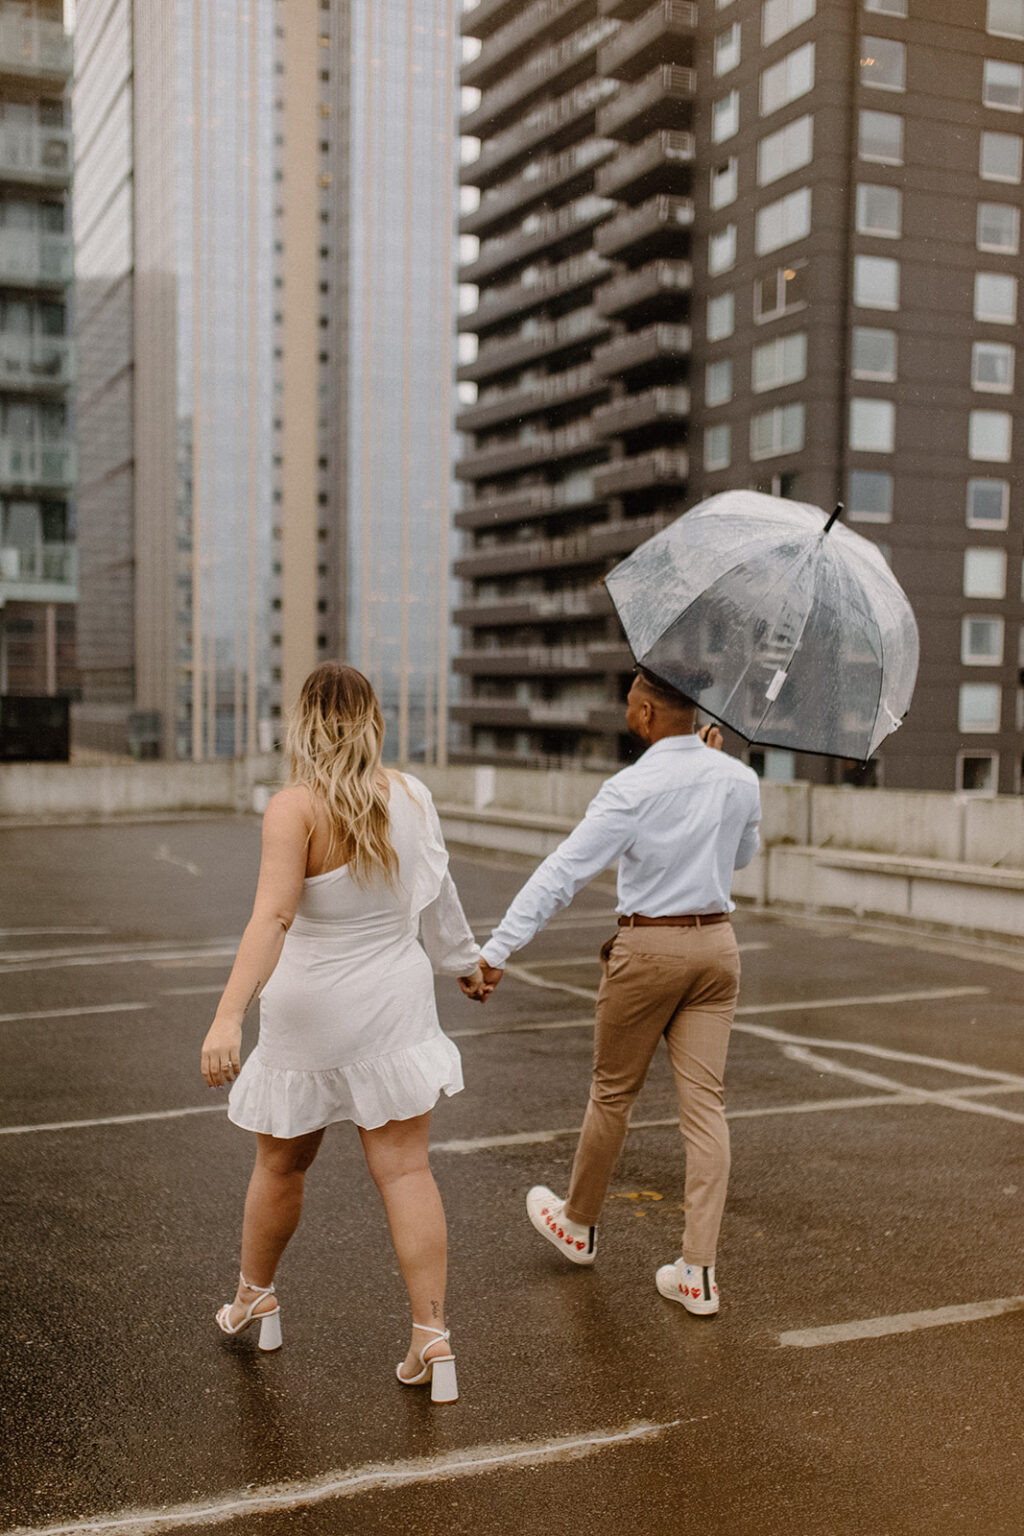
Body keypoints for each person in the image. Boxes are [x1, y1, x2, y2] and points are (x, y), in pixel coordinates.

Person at [200, 662, 488, 1402]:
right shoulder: (414, 795)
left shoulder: (292, 807)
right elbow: (439, 890)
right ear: (373, 721)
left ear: (302, 723)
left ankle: (255, 1298)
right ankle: (434, 1338)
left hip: (310, 1013)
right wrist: (464, 961)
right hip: (394, 1008)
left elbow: (272, 918)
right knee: (406, 1171)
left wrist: (229, 1012)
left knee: (281, 1166)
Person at [477, 666, 761, 1317]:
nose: (629, 709)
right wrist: (720, 786)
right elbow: (741, 858)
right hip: (718, 948)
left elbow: (564, 872)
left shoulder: (631, 787)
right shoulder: (738, 778)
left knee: (613, 1092)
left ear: (648, 714)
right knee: (705, 1109)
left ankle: (577, 1225)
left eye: (634, 700)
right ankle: (698, 1273)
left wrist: (497, 950)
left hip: (649, 948)